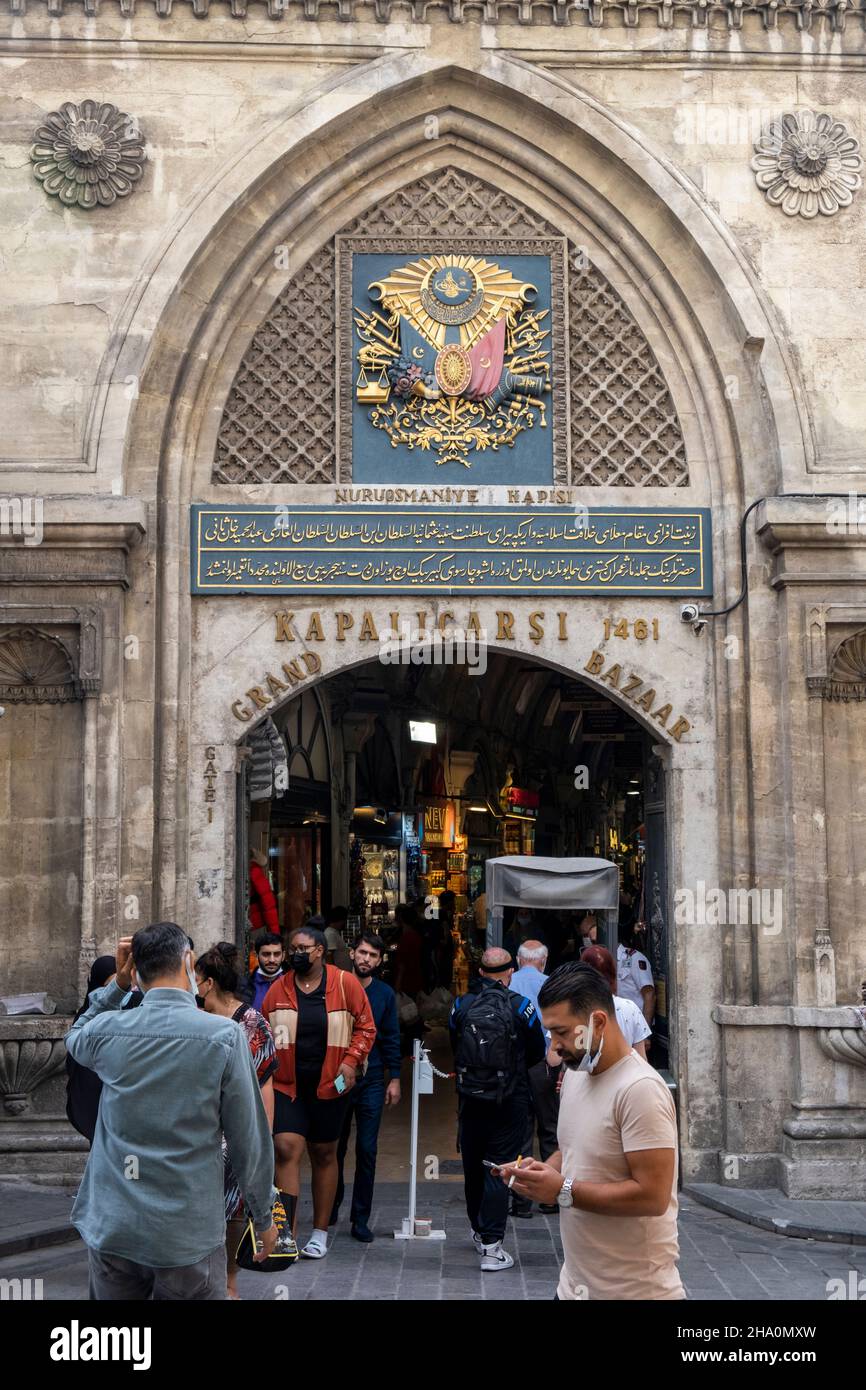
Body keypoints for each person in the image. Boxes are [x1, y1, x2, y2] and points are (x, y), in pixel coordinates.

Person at [66, 923, 278, 1300]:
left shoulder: (110, 1030)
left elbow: (76, 1035)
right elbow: (248, 1137)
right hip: (186, 1231)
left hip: (116, 1225)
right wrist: (264, 1216)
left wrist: (116, 986)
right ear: (188, 960)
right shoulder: (223, 1037)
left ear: (135, 969)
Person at [500, 963, 684, 1301]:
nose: (554, 1046)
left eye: (562, 1032)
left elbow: (653, 1196)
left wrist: (562, 1190)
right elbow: (573, 1148)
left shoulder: (640, 1089)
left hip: (634, 1293)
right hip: (573, 1287)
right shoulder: (575, 1073)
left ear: (597, 1022)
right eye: (550, 1033)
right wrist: (544, 1171)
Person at [261, 924, 376, 1260]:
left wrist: (352, 1061)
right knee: (285, 1148)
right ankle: (285, 1235)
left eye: (302, 949)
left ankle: (320, 1232)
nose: (295, 954)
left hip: (330, 1084)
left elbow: (366, 1027)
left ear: (320, 952)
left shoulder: (344, 983)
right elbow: (264, 1031)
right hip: (288, 1085)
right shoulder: (279, 989)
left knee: (324, 1154)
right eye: (291, 948)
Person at [196, 941, 285, 1299]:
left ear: (210, 982)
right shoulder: (193, 1016)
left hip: (232, 1133)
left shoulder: (252, 1023)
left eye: (197, 978)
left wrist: (263, 1140)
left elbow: (265, 1086)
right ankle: (207, 1278)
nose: (193, 984)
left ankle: (229, 1283)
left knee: (234, 1209)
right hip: (199, 1130)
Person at [450, 946, 547, 1271]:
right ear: (510, 974)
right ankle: (492, 1246)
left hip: (471, 1100)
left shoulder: (461, 1006)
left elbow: (454, 1047)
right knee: (501, 1166)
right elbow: (536, 1051)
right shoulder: (523, 1007)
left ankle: (479, 1232)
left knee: (474, 1168)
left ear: (479, 973)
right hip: (510, 1100)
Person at [331, 930, 401, 1242]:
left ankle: (360, 1218)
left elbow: (390, 1036)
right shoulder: (335, 987)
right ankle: (329, 1206)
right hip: (338, 1076)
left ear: (380, 960)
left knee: (367, 1149)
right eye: (362, 953)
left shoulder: (385, 994)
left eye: (372, 955)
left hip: (371, 1079)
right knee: (334, 1146)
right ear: (352, 953)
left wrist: (395, 1077)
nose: (366, 959)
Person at [65, 956, 142, 1144]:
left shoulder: (90, 1012)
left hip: (110, 1104)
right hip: (110, 1103)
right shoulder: (137, 1003)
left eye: (114, 987)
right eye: (108, 986)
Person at [580, 945, 651, 1059]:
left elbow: (649, 993)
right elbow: (642, 1059)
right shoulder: (629, 1008)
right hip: (623, 1072)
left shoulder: (572, 1007)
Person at [617, 924, 656, 1026]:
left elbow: (649, 994)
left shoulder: (634, 958)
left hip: (635, 1025)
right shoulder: (605, 959)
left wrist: (645, 1033)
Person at [247, 931, 286, 1012]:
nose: (272, 960)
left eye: (276, 954)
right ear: (256, 956)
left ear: (283, 956)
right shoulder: (244, 986)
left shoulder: (292, 985)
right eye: (266, 954)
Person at [249, 848, 279, 934]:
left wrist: (274, 934)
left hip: (253, 920)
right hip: (253, 920)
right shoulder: (256, 872)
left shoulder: (255, 872)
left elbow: (268, 904)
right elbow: (269, 905)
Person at [323, 906, 353, 972]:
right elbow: (329, 957)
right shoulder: (330, 933)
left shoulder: (334, 932)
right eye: (344, 920)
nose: (345, 923)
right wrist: (333, 973)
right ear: (340, 920)